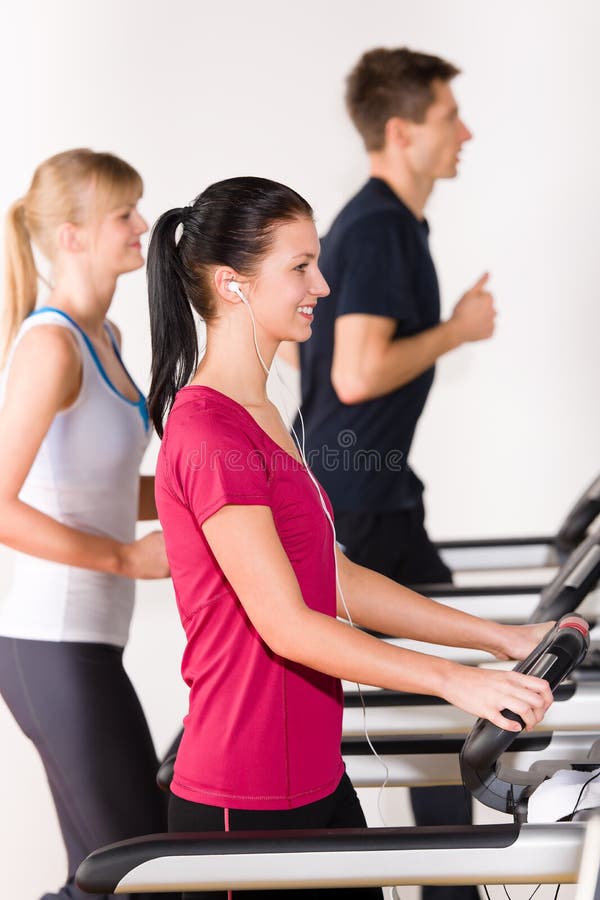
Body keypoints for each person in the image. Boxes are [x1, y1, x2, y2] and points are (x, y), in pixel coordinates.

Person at [147, 175, 553, 900]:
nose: (324, 286)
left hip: (316, 777)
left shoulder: (264, 414)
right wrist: (452, 681)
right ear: (233, 284)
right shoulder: (209, 429)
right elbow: (286, 625)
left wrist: (499, 639)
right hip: (246, 799)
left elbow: (337, 580)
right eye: (301, 267)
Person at [286, 47, 496, 900]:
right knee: (441, 705)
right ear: (403, 132)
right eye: (450, 117)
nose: (466, 133)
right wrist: (458, 330)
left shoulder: (392, 225)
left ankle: (451, 884)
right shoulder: (376, 228)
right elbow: (355, 372)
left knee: (454, 709)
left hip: (378, 497)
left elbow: (331, 367)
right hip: (357, 505)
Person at [0, 148, 173, 900]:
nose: (143, 224)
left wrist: (217, 501)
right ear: (71, 236)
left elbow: (101, 488)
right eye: (123, 214)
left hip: (87, 643)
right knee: (141, 873)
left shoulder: (108, 338)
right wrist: (126, 560)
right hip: (50, 644)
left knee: (110, 881)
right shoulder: (51, 345)